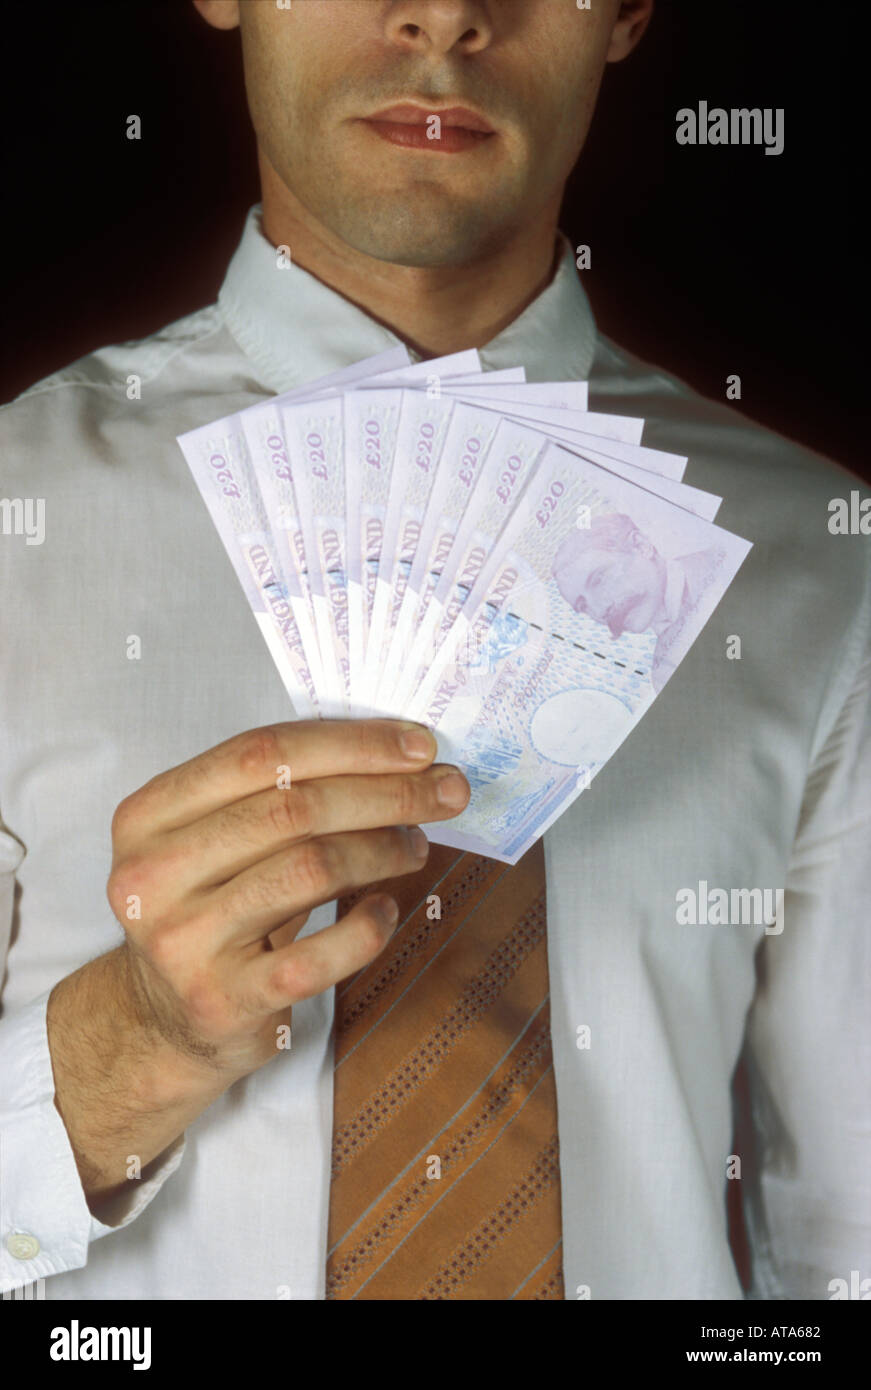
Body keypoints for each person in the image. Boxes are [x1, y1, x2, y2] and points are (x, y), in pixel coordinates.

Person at [1, 0, 868, 1302]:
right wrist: (124, 1053)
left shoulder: (827, 563)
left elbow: (843, 1244)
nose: (448, 16)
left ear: (627, 11)